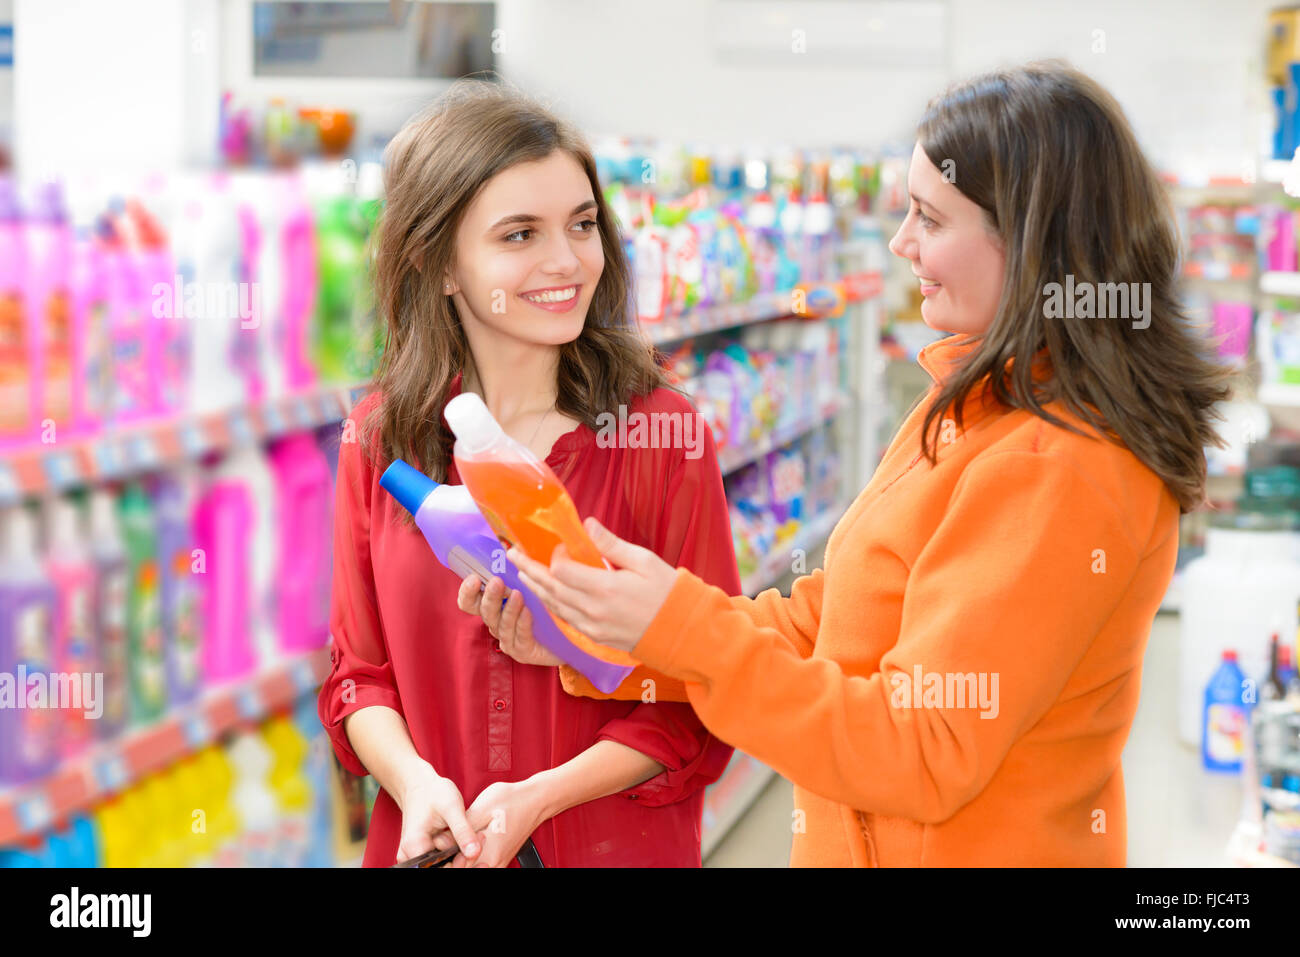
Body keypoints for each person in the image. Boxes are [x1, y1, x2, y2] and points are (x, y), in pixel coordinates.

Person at [482, 62, 1235, 866]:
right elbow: (826, 622)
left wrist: (680, 627)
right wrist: (607, 634)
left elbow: (922, 746)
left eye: (928, 217)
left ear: (1029, 239)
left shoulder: (1066, 466)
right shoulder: (970, 402)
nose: (901, 243)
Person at [319, 80, 740, 868]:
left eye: (582, 224)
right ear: (439, 263)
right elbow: (359, 679)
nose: (567, 260)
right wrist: (414, 784)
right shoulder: (380, 441)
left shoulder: (660, 435)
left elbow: (701, 696)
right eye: (519, 234)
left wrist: (539, 796)